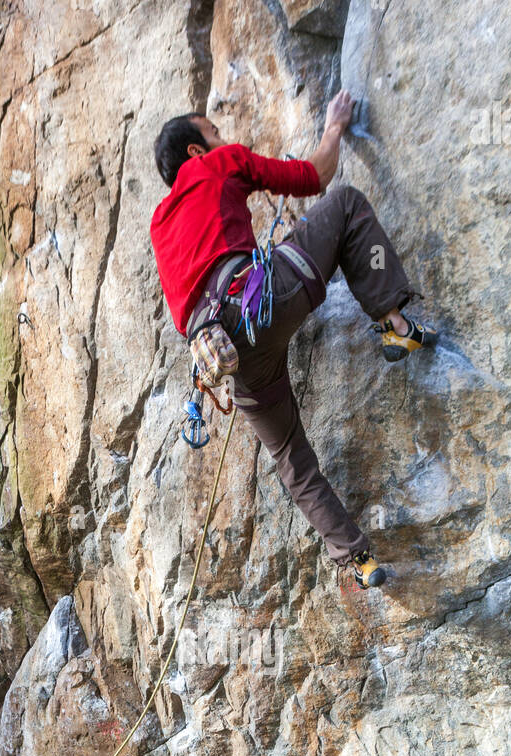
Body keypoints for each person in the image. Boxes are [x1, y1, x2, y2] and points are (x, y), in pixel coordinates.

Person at [150, 90, 438, 590]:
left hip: (223, 354)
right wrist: (334, 127)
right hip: (264, 299)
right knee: (346, 203)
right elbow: (315, 177)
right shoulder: (216, 165)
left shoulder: (159, 225)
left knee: (291, 459)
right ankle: (395, 323)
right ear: (198, 152)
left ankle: (358, 559)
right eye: (215, 132)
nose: (224, 138)